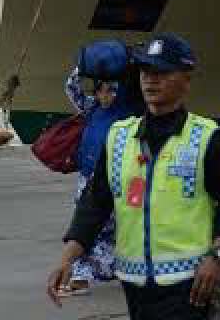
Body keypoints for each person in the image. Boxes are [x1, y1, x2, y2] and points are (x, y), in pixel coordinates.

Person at [47, 33, 220, 320]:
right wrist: (68, 258)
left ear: (186, 80)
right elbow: (95, 203)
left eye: (162, 72)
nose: (151, 80)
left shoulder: (204, 137)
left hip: (190, 281)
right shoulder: (119, 136)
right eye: (146, 71)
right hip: (134, 283)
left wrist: (217, 257)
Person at [58, 61, 138, 295]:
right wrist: (82, 67)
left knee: (108, 228)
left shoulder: (127, 113)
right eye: (103, 89)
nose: (106, 95)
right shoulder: (92, 108)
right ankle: (85, 273)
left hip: (118, 177)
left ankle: (97, 268)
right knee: (89, 224)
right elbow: (72, 88)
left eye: (112, 90)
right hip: (88, 177)